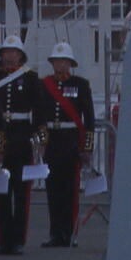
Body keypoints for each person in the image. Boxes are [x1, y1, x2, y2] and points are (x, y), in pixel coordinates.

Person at [0, 37, 44, 256]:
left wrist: (40, 140)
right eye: (6, 51)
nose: (10, 55)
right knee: (2, 193)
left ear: (21, 55)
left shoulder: (30, 78)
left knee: (21, 194)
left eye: (14, 51)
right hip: (0, 137)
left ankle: (18, 240)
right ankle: (4, 240)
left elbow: (40, 111)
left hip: (22, 138)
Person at [39, 42, 95, 248]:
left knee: (70, 190)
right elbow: (40, 117)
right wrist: (41, 142)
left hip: (71, 140)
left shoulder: (81, 84)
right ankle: (55, 233)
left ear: (70, 63)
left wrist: (87, 147)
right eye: (56, 61)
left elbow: (89, 119)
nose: (59, 65)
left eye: (63, 61)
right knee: (53, 189)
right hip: (52, 141)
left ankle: (69, 233)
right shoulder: (44, 85)